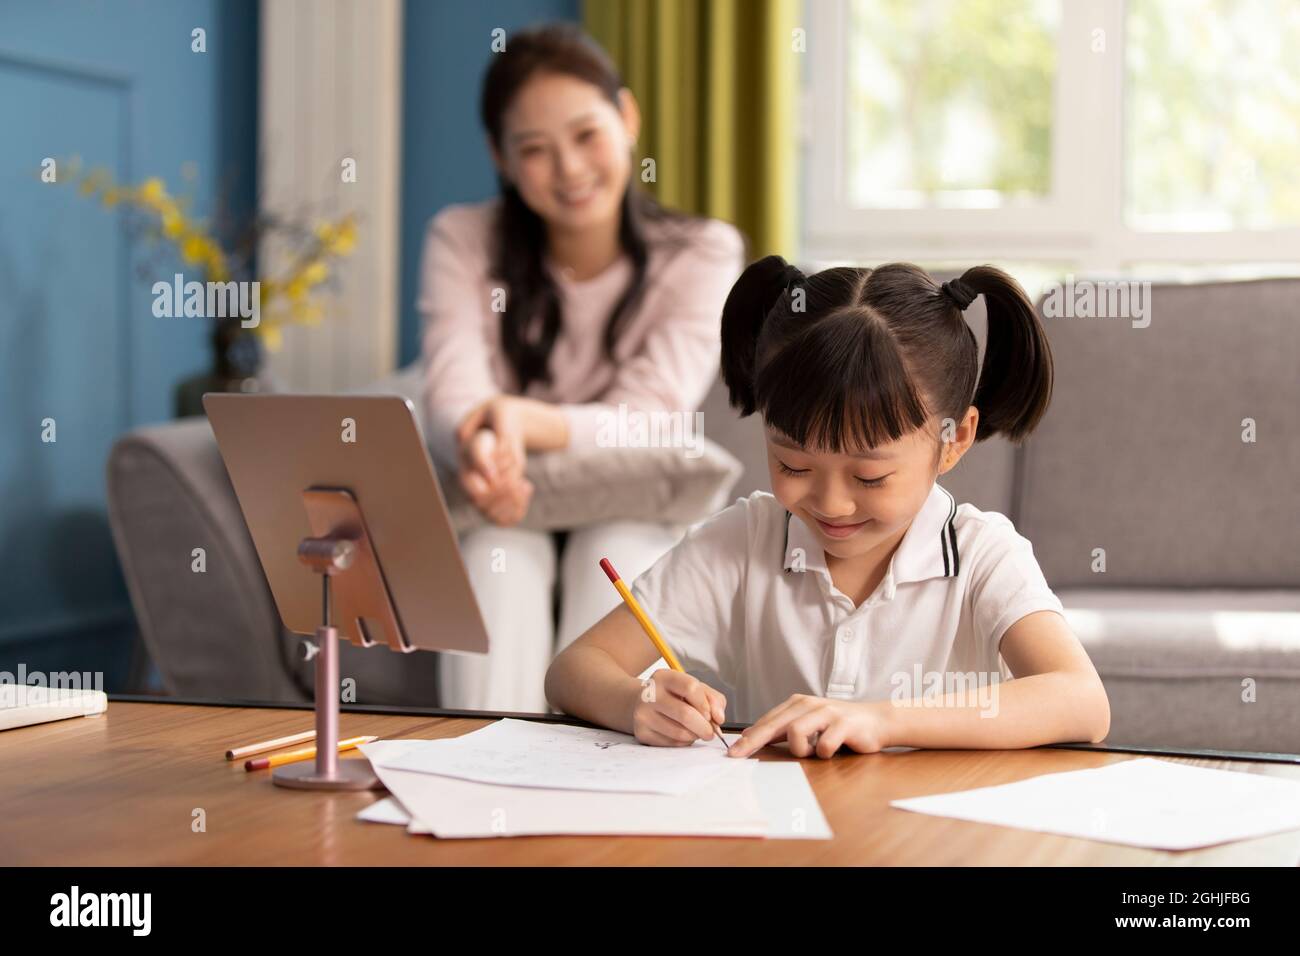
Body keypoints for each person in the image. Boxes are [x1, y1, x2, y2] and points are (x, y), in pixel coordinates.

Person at [546, 256, 1111, 757]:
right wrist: (638, 700)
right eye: (794, 466)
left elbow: (1082, 700)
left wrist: (883, 721)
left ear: (955, 439)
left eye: (870, 475)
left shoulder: (983, 555)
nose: (831, 502)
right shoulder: (743, 542)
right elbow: (573, 670)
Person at [420, 24, 745, 711]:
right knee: (493, 562)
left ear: (627, 118)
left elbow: (650, 418)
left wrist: (515, 422)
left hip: (634, 499)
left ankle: (594, 797)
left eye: (585, 135)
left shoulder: (704, 252)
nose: (568, 169)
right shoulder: (462, 238)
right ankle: (483, 785)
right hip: (504, 507)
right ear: (499, 159)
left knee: (616, 546)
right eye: (534, 150)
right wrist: (481, 445)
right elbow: (455, 389)